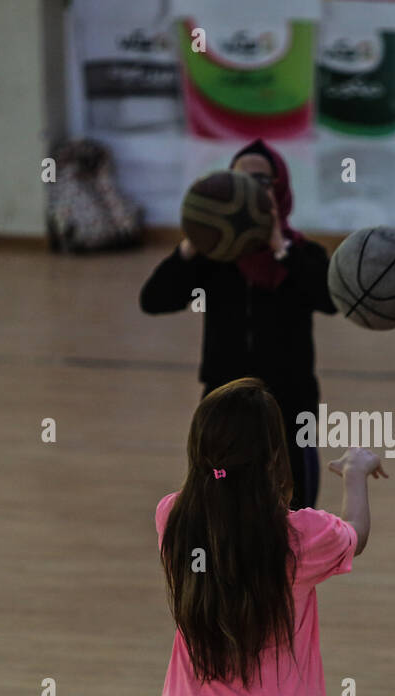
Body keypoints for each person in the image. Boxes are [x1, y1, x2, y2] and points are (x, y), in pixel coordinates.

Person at [133, 378, 388, 696]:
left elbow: (219, 504)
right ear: (273, 454)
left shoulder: (173, 518)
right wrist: (355, 472)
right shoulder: (303, 537)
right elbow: (356, 533)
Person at [140, 139, 336, 510]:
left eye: (261, 181)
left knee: (296, 511)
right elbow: (154, 300)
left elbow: (330, 300)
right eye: (240, 179)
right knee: (220, 506)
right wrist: (191, 246)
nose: (250, 189)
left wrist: (281, 249)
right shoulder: (213, 259)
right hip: (223, 402)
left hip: (290, 404)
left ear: (280, 188)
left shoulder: (302, 253)